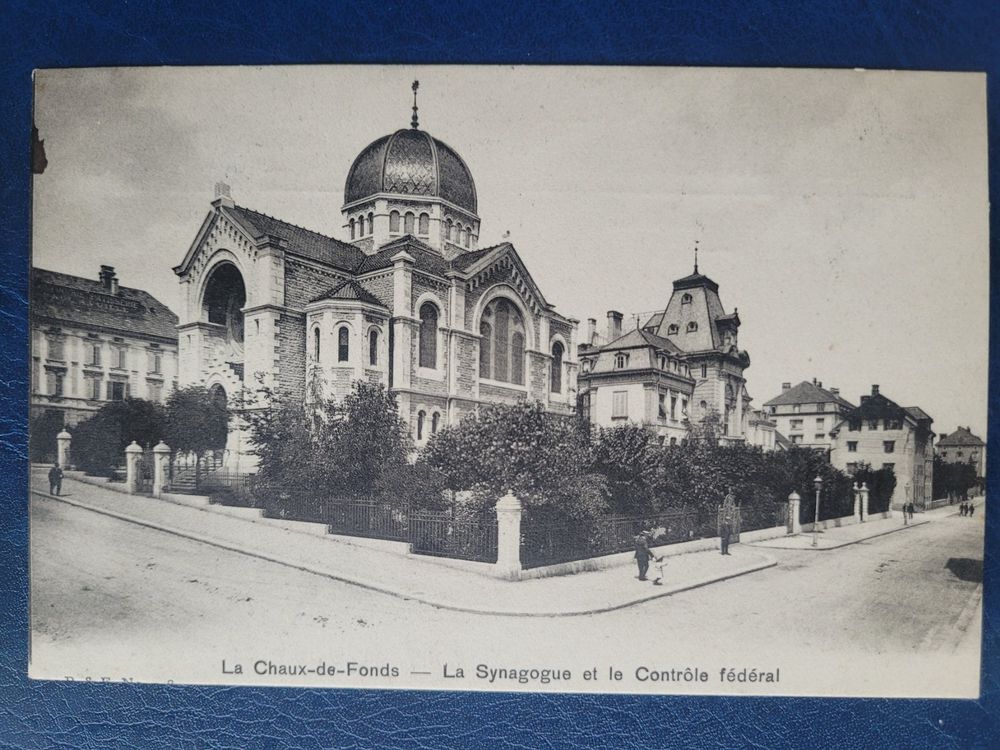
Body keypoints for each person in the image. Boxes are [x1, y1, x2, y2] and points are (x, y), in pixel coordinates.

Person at [719, 488, 737, 556]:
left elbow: (733, 509)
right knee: (723, 540)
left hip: (728, 528)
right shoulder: (723, 523)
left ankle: (726, 551)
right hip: (724, 529)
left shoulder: (729, 524)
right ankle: (723, 551)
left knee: (727, 540)